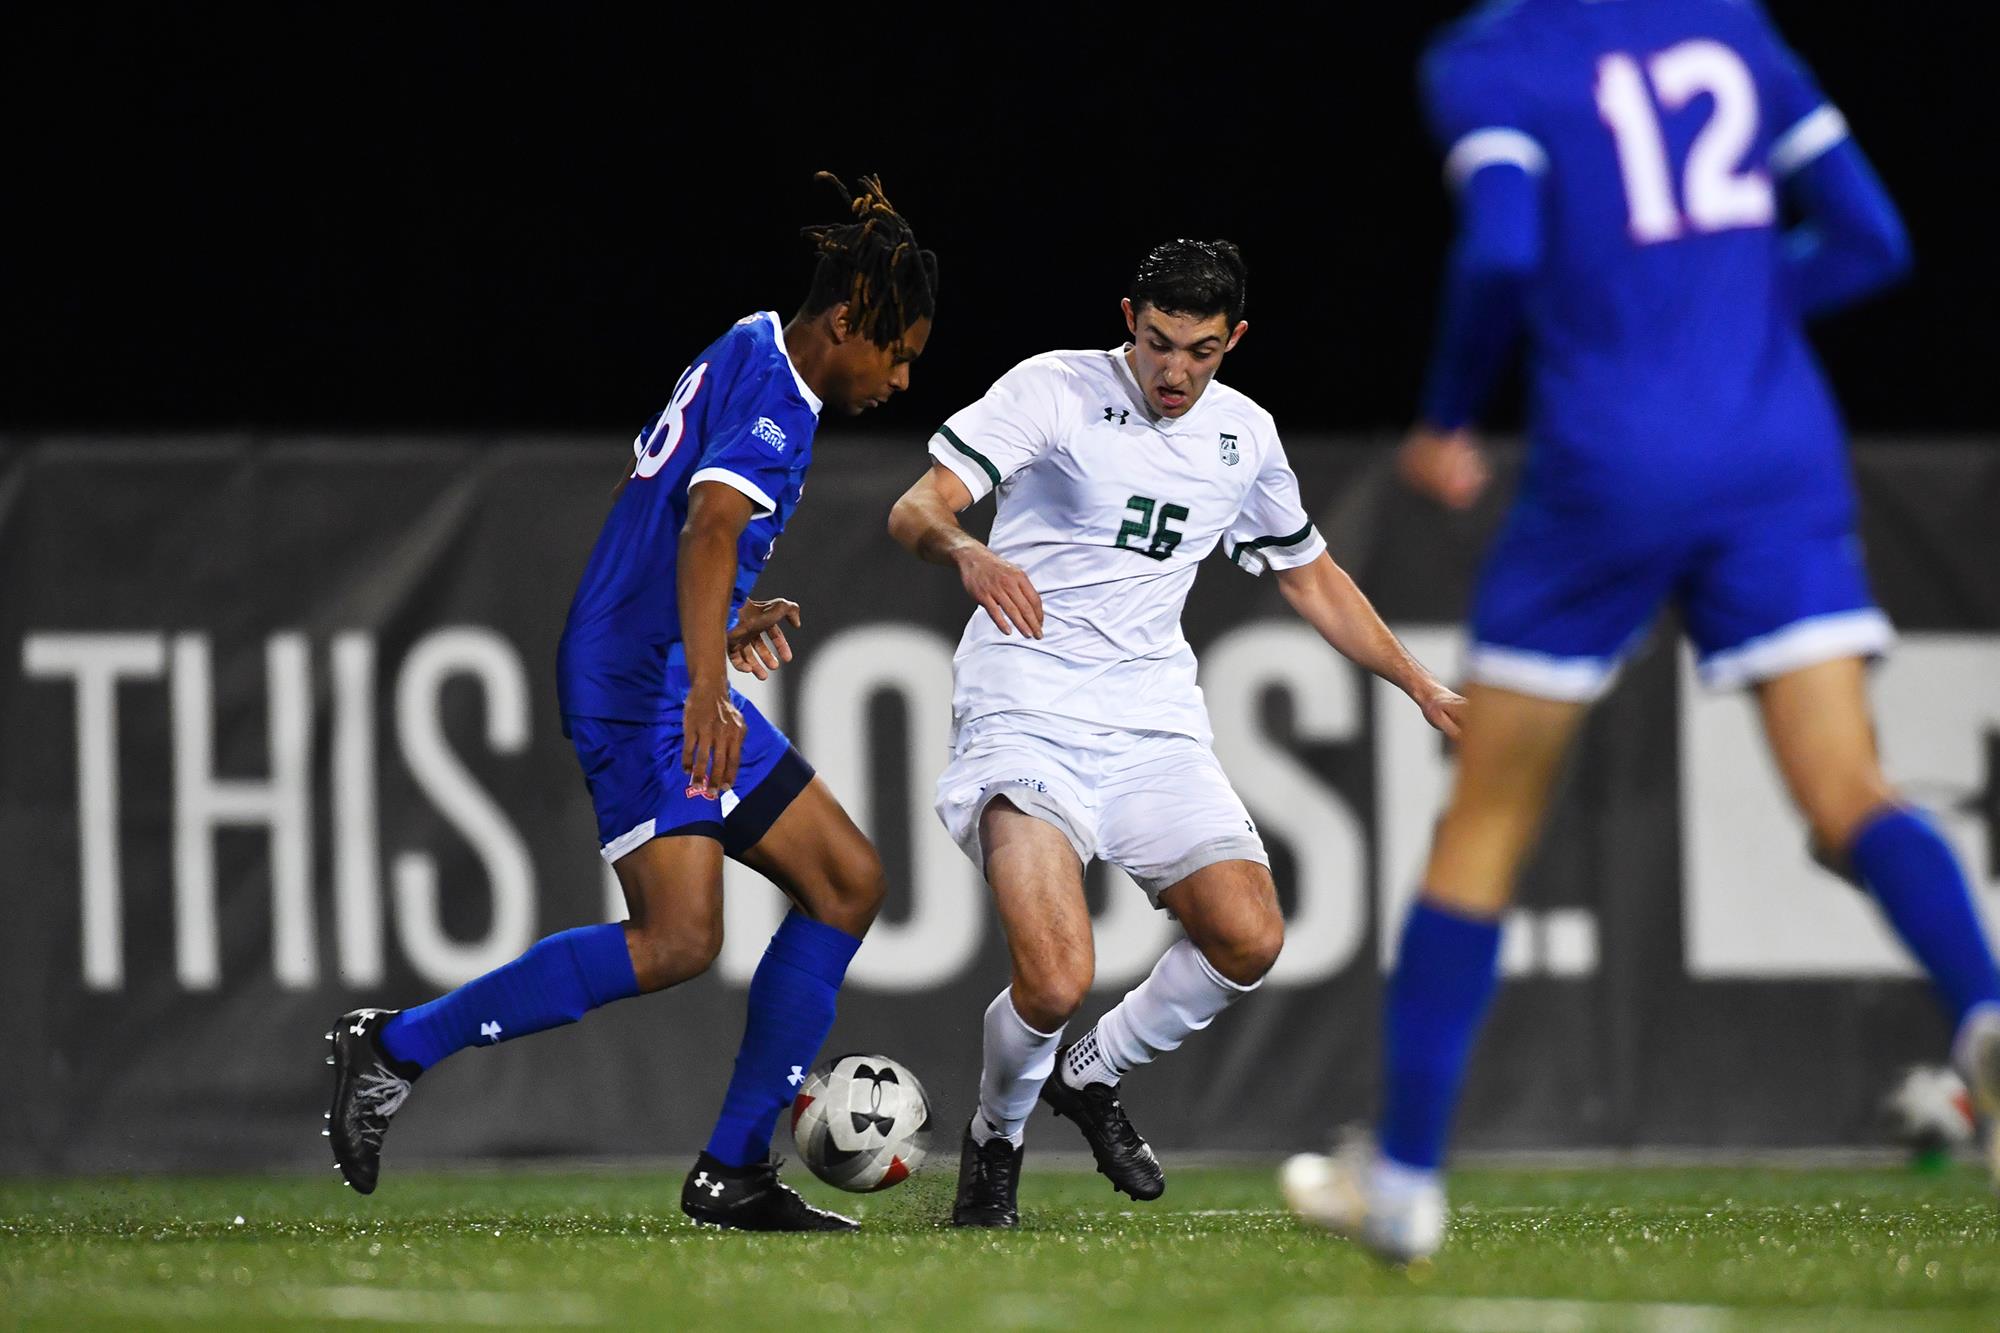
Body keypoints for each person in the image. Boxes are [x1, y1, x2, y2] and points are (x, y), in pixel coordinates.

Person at [1282, 0, 2000, 1263]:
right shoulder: (1729, 23)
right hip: (1775, 453)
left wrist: (1446, 415)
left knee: (1484, 822)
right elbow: (1871, 238)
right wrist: (1732, 321)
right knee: (1848, 791)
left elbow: (1500, 252)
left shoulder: (1492, 56)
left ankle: (1401, 1178)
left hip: (1609, 459)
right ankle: (1984, 1009)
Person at [325, 174, 938, 1232]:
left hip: (651, 658)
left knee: (847, 881)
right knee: (676, 939)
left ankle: (734, 1168)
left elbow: (663, 511)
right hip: (639, 685)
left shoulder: (751, 342)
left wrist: (715, 622)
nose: (902, 376)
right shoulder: (776, 397)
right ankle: (394, 1047)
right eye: (899, 350)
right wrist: (703, 679)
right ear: (846, 321)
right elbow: (707, 526)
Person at [888, 238, 1465, 1228]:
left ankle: (1091, 1072)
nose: (1174, 371)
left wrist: (1417, 682)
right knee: (1054, 977)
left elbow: (1309, 575)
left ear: (1233, 339)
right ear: (1129, 320)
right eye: (1158, 342)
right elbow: (916, 506)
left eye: (1200, 350)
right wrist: (964, 549)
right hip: (1023, 710)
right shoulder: (1054, 388)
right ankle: (996, 1137)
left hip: (1152, 723)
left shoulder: (1244, 435)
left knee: (1248, 935)